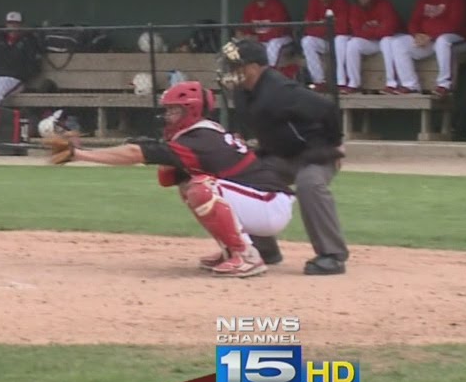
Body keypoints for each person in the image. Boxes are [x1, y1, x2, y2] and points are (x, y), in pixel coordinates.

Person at [42, 81, 294, 278]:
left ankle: (247, 257)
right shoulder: (201, 133)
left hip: (271, 203)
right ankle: (233, 249)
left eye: (174, 110)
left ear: (191, 110)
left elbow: (133, 154)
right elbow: (167, 176)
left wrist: (79, 154)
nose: (168, 116)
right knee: (189, 187)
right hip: (261, 200)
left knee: (201, 188)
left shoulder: (199, 138)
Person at [217, 38, 349, 275]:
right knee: (240, 179)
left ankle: (332, 255)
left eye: (237, 66)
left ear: (254, 67)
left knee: (310, 184)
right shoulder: (243, 92)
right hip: (279, 156)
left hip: (315, 154)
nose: (231, 72)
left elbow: (326, 108)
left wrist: (336, 144)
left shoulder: (280, 90)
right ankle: (263, 249)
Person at [384, 0, 466, 96]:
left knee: (443, 41)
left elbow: (455, 25)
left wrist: (430, 35)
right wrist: (417, 35)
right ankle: (410, 85)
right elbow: (414, 21)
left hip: (457, 40)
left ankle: (444, 84)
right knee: (399, 43)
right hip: (429, 40)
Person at [345, 0, 401, 94]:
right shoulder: (355, 8)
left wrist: (368, 30)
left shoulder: (384, 5)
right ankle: (354, 83)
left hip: (387, 40)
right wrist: (376, 30)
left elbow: (389, 29)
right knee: (352, 44)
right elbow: (356, 31)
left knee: (387, 41)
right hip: (371, 41)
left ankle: (392, 83)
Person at [298, 0, 350, 92]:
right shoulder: (313, 2)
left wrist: (321, 27)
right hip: (324, 40)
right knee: (307, 41)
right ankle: (319, 81)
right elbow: (308, 28)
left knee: (340, 40)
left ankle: (341, 82)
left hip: (340, 40)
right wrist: (328, 27)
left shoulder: (340, 1)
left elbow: (343, 28)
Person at [236, 0, 293, 67]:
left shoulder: (277, 6)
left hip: (282, 39)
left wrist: (257, 38)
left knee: (273, 44)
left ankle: (271, 72)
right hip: (261, 40)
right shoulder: (250, 8)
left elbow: (278, 31)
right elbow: (246, 29)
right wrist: (242, 35)